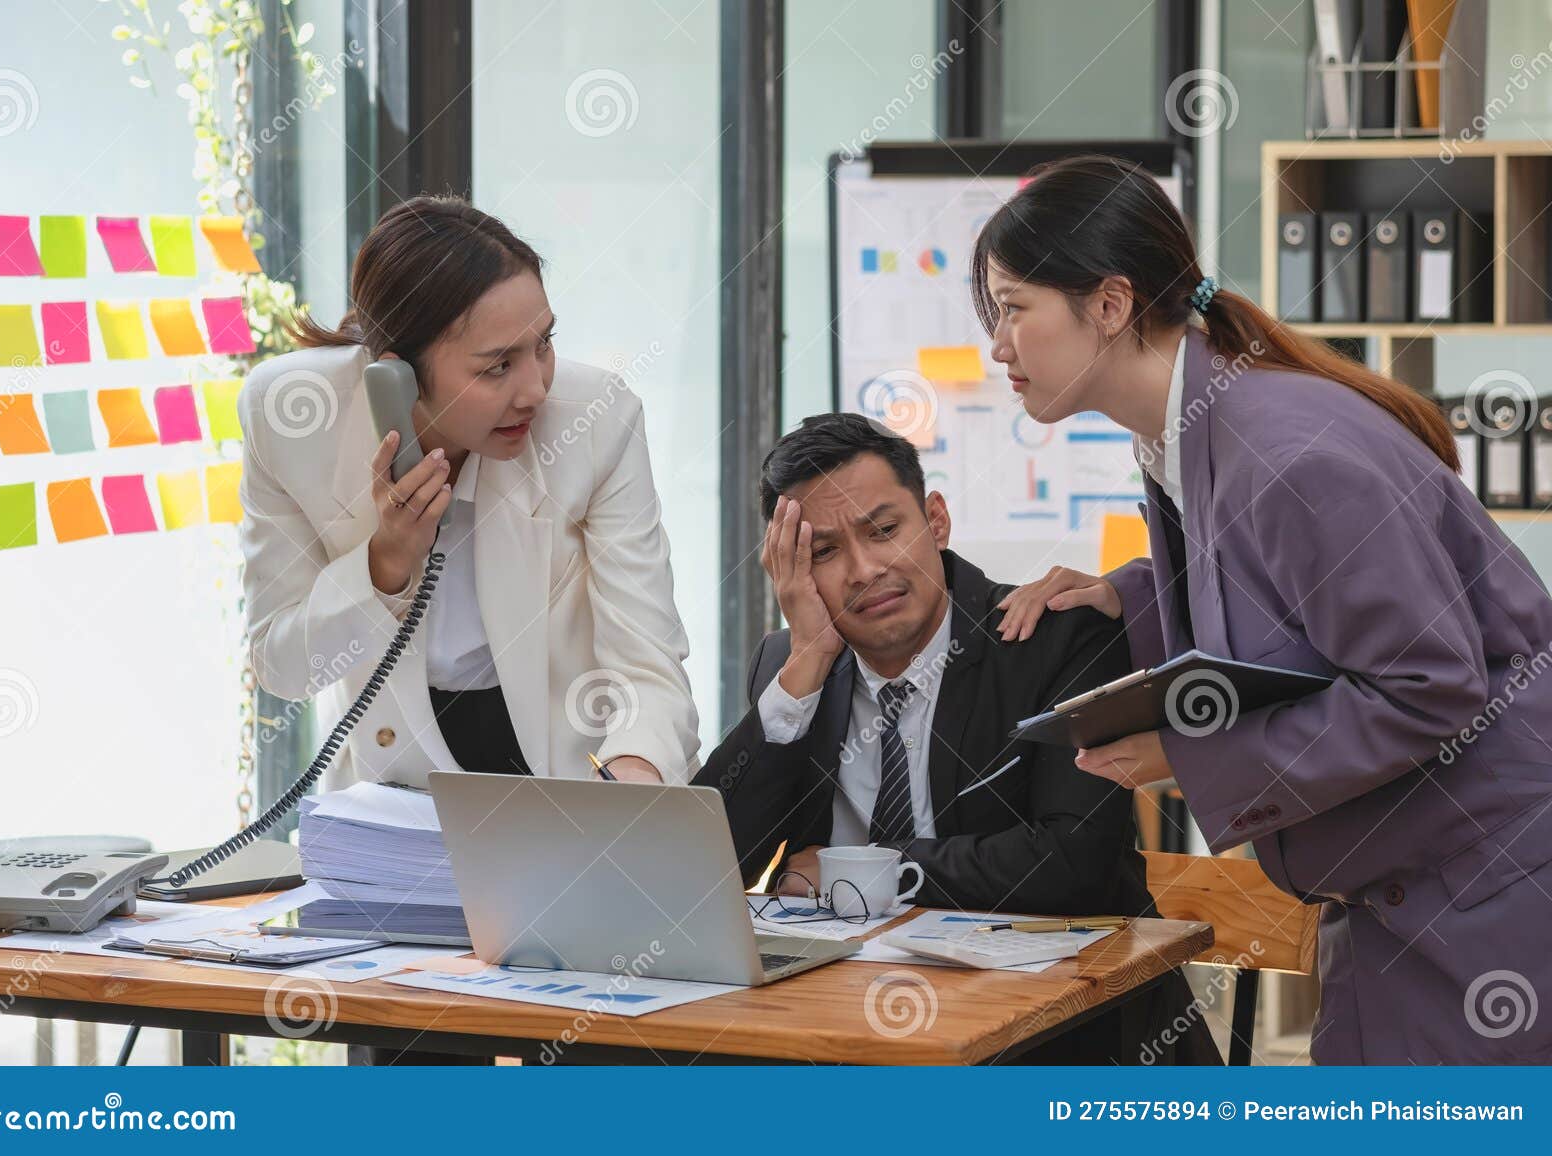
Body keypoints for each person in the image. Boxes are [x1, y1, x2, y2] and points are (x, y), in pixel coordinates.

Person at [979, 155, 1552, 1064]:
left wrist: (1189, 752)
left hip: (1491, 893)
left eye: (1013, 308)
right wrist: (1126, 591)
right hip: (1398, 898)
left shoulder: (1286, 453)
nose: (997, 347)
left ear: (1111, 303)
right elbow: (1279, 600)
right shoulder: (1187, 435)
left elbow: (1429, 685)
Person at [694, 412, 1220, 1064]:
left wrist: (860, 875)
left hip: (1062, 1039)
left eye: (884, 530)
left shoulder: (1053, 639)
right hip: (841, 1028)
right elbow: (703, 878)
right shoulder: (789, 667)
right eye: (825, 552)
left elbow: (1073, 862)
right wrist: (802, 669)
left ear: (935, 520)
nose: (864, 569)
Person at [237, 196, 700, 794]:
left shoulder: (596, 421)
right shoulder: (293, 418)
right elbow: (284, 667)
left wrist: (633, 776)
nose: (535, 388)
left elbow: (648, 663)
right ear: (395, 373)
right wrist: (385, 566)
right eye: (496, 367)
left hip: (571, 784)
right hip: (397, 804)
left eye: (543, 344)